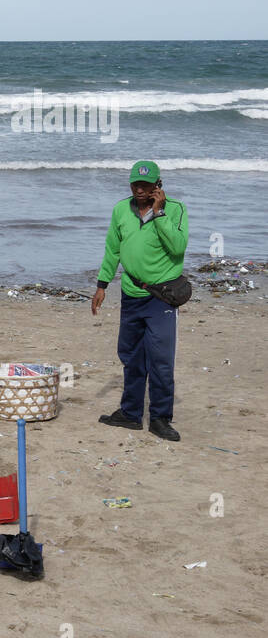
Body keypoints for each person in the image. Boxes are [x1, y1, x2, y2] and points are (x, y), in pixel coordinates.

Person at [92, 161, 189, 441]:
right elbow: (112, 249)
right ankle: (131, 413)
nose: (139, 190)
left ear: (159, 185)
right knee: (131, 357)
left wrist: (159, 214)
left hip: (161, 297)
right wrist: (102, 284)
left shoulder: (176, 209)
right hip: (131, 295)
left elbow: (178, 247)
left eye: (146, 185)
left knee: (160, 361)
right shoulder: (121, 209)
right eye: (135, 184)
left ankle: (160, 418)